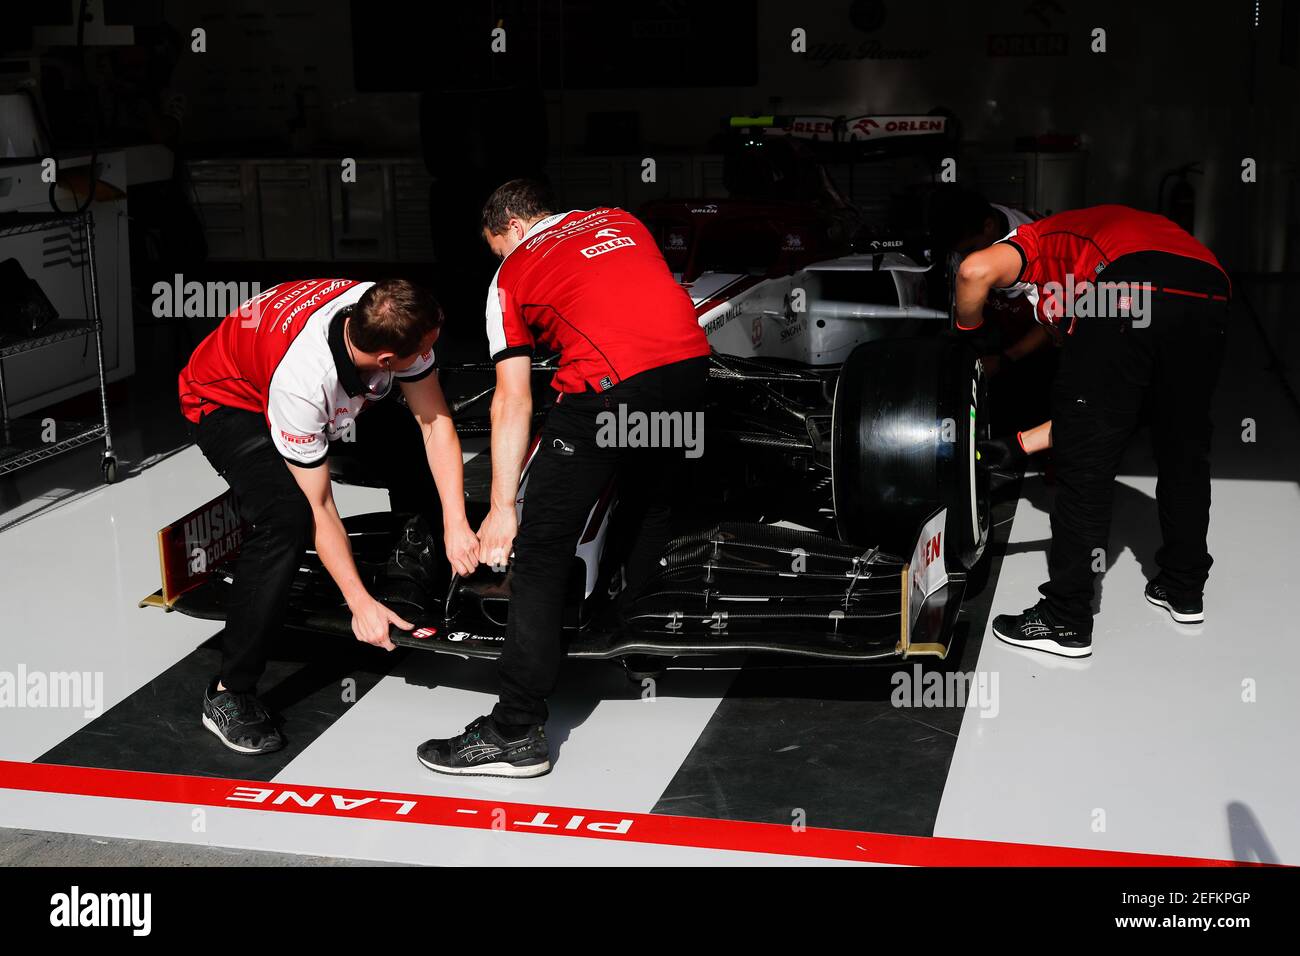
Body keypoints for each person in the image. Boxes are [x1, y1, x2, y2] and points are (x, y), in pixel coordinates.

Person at [416, 179, 711, 778]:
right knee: (650, 505)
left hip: (609, 389)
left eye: (497, 247)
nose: (500, 260)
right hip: (689, 373)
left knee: (542, 547)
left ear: (512, 229)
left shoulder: (512, 273)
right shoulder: (619, 218)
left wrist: (501, 506)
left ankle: (516, 729)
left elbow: (511, 400)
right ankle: (639, 646)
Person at [179, 278, 478, 753]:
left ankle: (412, 575)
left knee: (410, 447)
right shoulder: (304, 383)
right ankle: (228, 692)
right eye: (426, 348)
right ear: (386, 361)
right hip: (229, 398)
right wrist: (358, 602)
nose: (432, 351)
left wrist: (455, 522)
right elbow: (321, 507)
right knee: (286, 518)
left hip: (284, 367)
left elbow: (434, 422)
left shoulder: (387, 313)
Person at [954, 204, 1230, 658]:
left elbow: (972, 270)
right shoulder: (1090, 258)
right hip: (1209, 288)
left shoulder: (1034, 241)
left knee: (1085, 470)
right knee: (1184, 449)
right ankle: (1183, 589)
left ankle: (1065, 619)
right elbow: (1114, 411)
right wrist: (1022, 444)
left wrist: (966, 340)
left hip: (1130, 280)